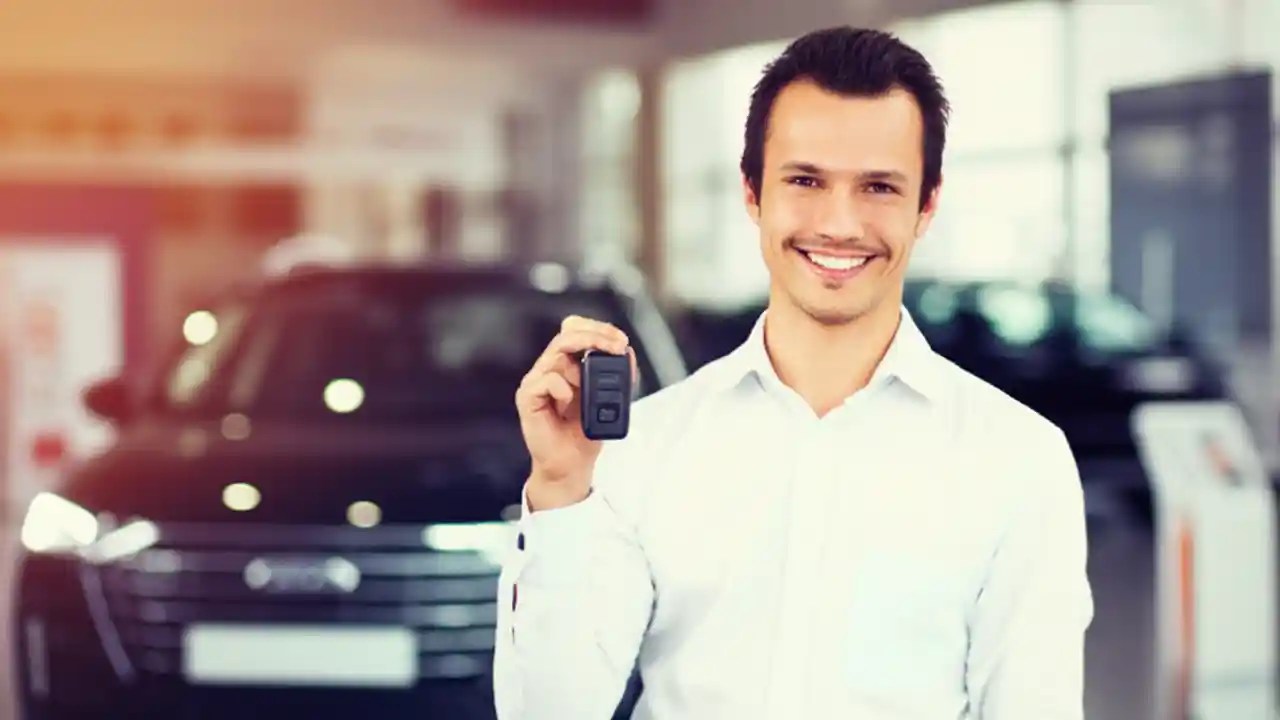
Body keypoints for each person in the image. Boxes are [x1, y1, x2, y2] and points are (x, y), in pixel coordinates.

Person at [496, 26, 1093, 720]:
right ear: (752, 192)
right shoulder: (643, 444)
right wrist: (562, 492)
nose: (839, 224)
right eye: (805, 180)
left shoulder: (1019, 459)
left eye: (878, 186)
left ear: (926, 205)